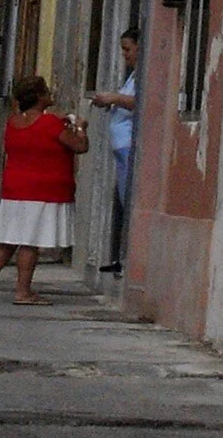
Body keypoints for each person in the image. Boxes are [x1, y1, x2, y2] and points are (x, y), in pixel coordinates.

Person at [0, 74, 88, 305]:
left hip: (14, 188)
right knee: (29, 242)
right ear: (38, 97)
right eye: (46, 91)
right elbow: (80, 146)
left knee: (6, 240)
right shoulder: (50, 123)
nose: (50, 94)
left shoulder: (13, 123)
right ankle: (23, 291)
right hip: (43, 190)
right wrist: (80, 127)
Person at [89, 29, 139, 273]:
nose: (124, 54)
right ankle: (121, 257)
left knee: (128, 201)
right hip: (121, 147)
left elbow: (139, 102)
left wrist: (113, 98)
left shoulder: (144, 75)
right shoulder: (133, 76)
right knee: (122, 200)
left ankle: (127, 258)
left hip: (129, 146)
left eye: (127, 49)